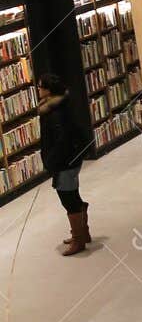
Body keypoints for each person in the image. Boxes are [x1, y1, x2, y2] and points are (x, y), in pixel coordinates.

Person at [36, 71, 91, 256]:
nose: (38, 88)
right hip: (71, 158)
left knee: (67, 199)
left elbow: (61, 140)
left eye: (40, 86)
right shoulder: (59, 105)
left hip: (65, 161)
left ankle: (79, 240)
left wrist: (51, 162)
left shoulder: (55, 112)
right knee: (72, 194)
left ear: (48, 90)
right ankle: (83, 233)